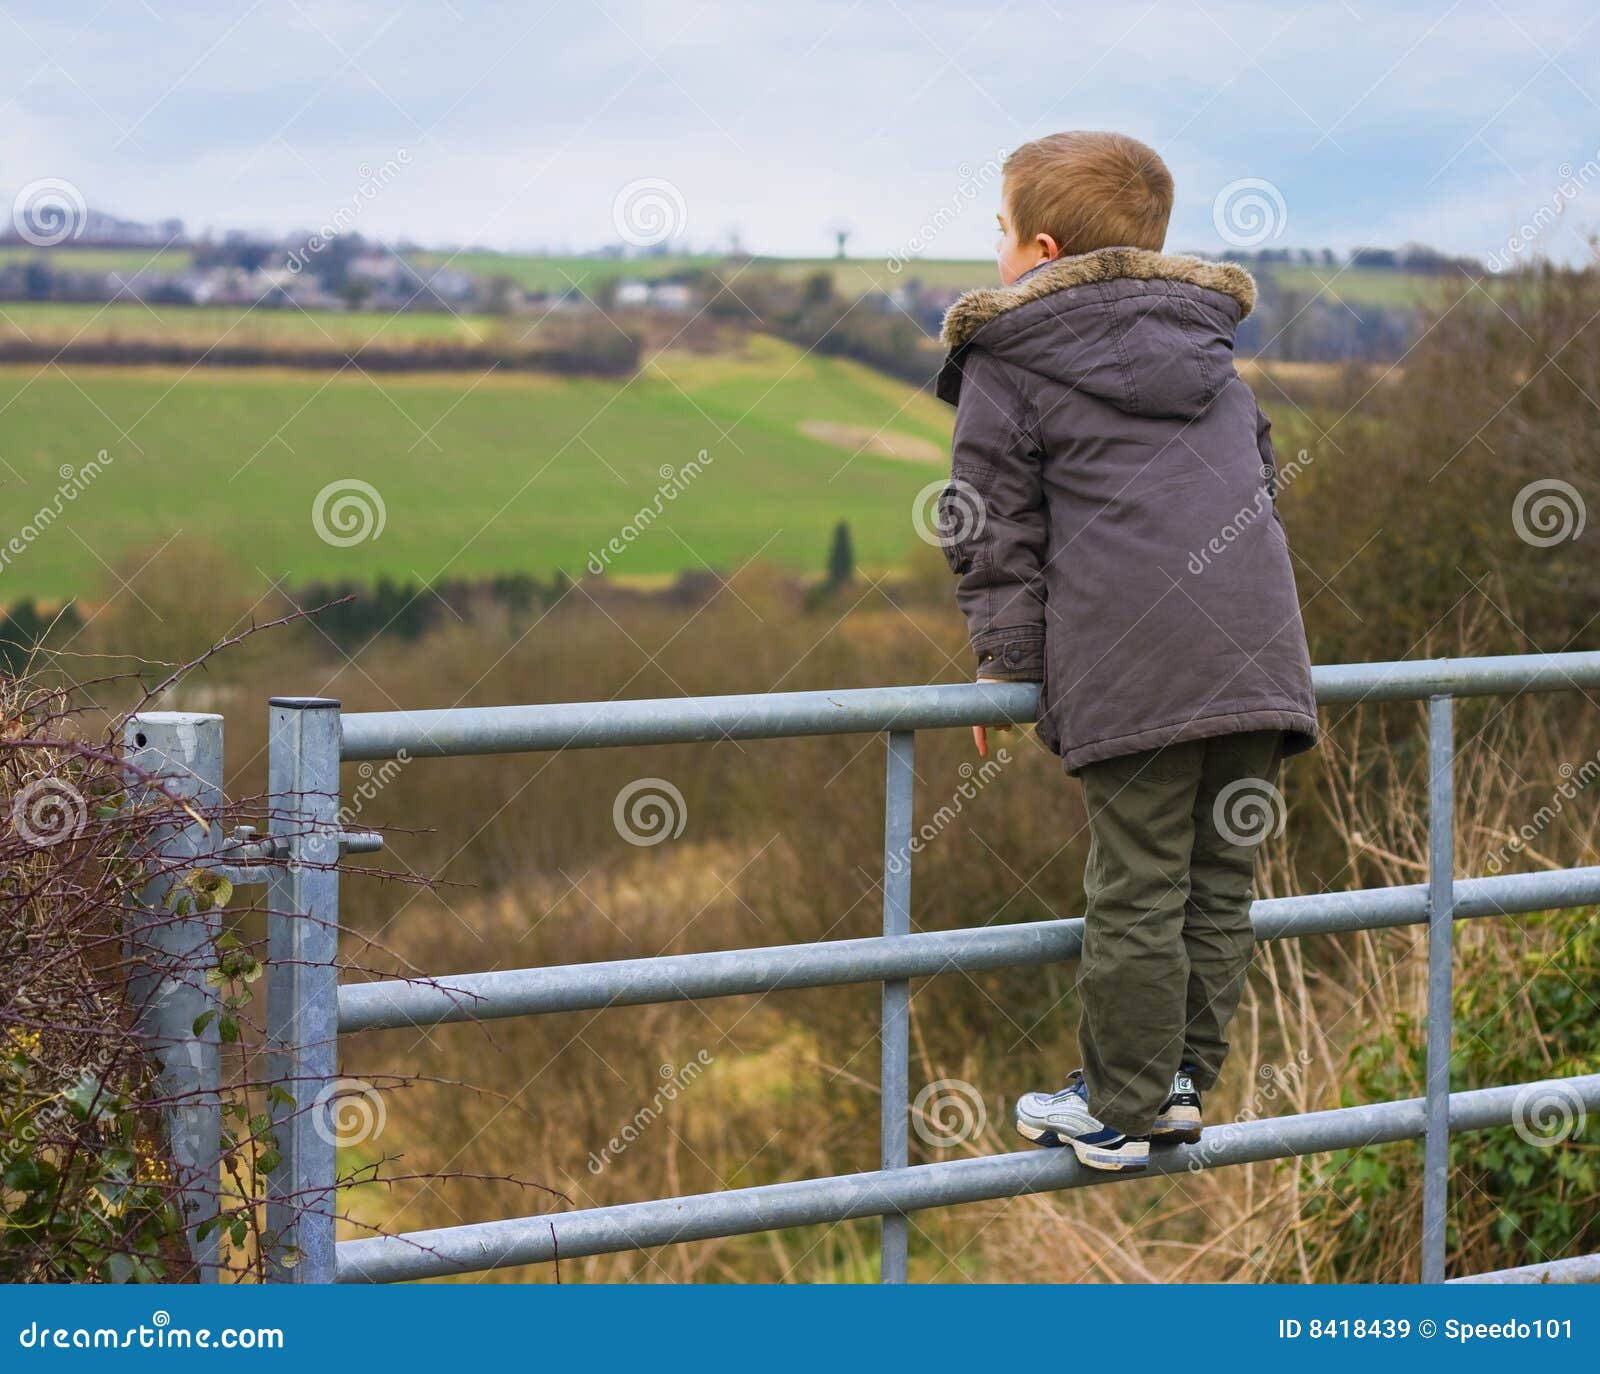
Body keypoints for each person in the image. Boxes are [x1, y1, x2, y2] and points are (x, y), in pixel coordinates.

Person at [935, 131, 1318, 1172]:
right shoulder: (1212, 353)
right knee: (1214, 881)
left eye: (1001, 234)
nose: (996, 253)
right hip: (1260, 654)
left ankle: (1118, 1105)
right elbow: (1258, 481)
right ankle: (1179, 1085)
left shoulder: (1009, 359)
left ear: (1043, 247)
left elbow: (985, 522)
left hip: (1140, 663)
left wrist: (1002, 666)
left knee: (1139, 883)